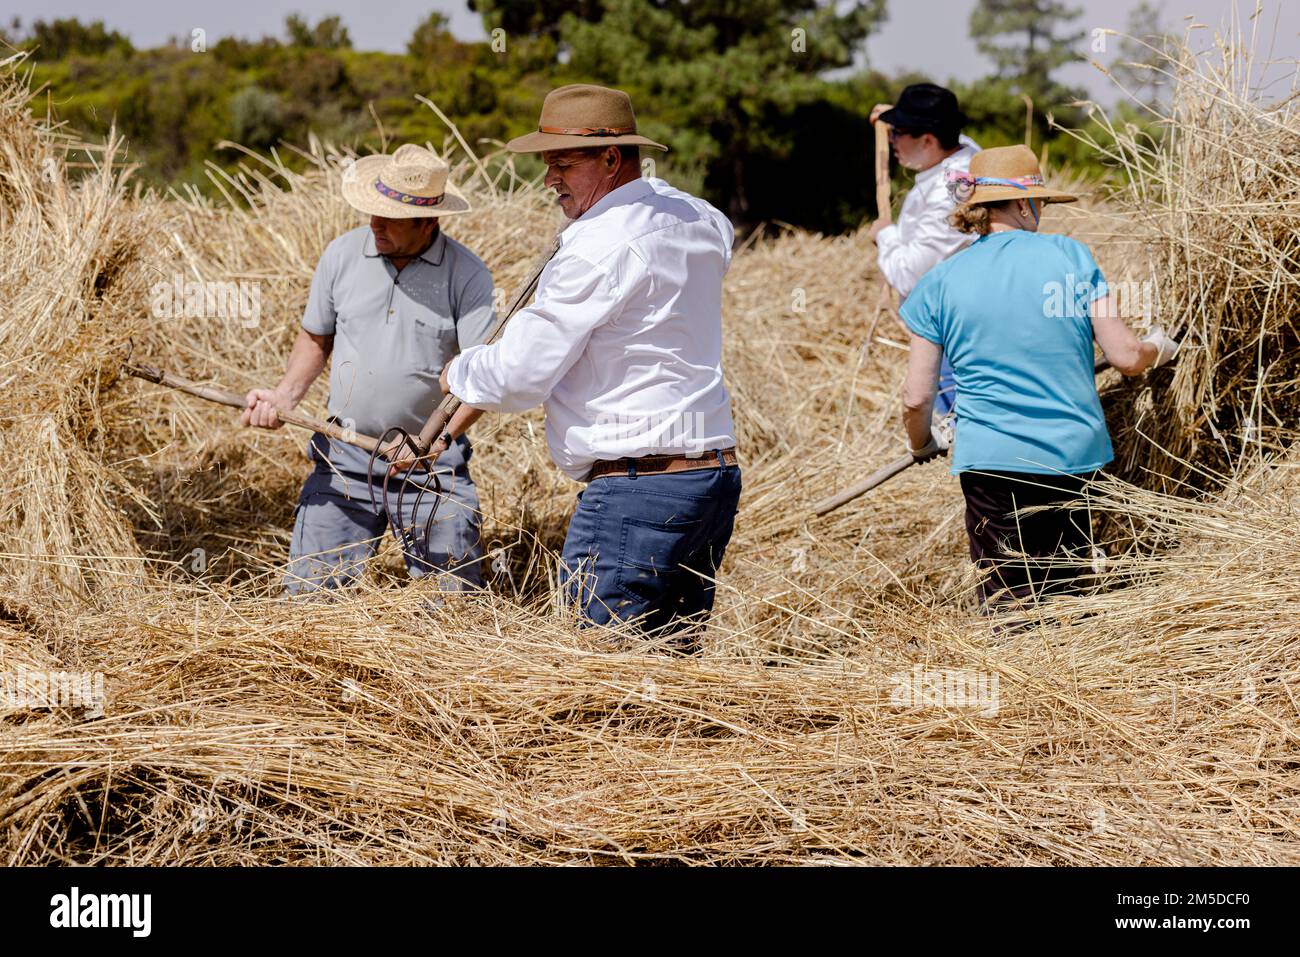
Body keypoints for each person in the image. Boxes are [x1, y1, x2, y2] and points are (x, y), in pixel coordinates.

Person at [435, 84, 742, 649]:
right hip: (711, 478)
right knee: (672, 665)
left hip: (637, 488)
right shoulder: (699, 218)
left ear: (611, 157)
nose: (550, 179)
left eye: (564, 163)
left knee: (598, 671)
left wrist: (460, 372)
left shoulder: (597, 245)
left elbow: (522, 375)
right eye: (547, 163)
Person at [898, 145, 1179, 612]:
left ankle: (1014, 678)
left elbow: (916, 395)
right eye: (1041, 203)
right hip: (1071, 454)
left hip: (990, 461)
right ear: (1025, 204)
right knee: (1065, 599)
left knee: (1009, 602)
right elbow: (1126, 356)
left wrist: (921, 442)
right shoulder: (1070, 257)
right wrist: (1159, 347)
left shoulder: (940, 281)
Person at [242, 144, 496, 595]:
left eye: (391, 216)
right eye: (373, 211)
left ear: (428, 221)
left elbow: (482, 379)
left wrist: (433, 442)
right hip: (343, 457)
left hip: (429, 469)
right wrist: (284, 397)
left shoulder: (468, 276)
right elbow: (316, 339)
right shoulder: (341, 256)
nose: (375, 223)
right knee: (310, 603)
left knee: (450, 608)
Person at [868, 83, 981, 416]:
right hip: (953, 326)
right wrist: (896, 118)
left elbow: (911, 274)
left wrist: (885, 234)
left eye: (898, 133)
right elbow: (965, 140)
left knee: (956, 430)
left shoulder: (951, 192)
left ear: (929, 140)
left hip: (953, 333)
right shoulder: (964, 155)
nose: (892, 140)